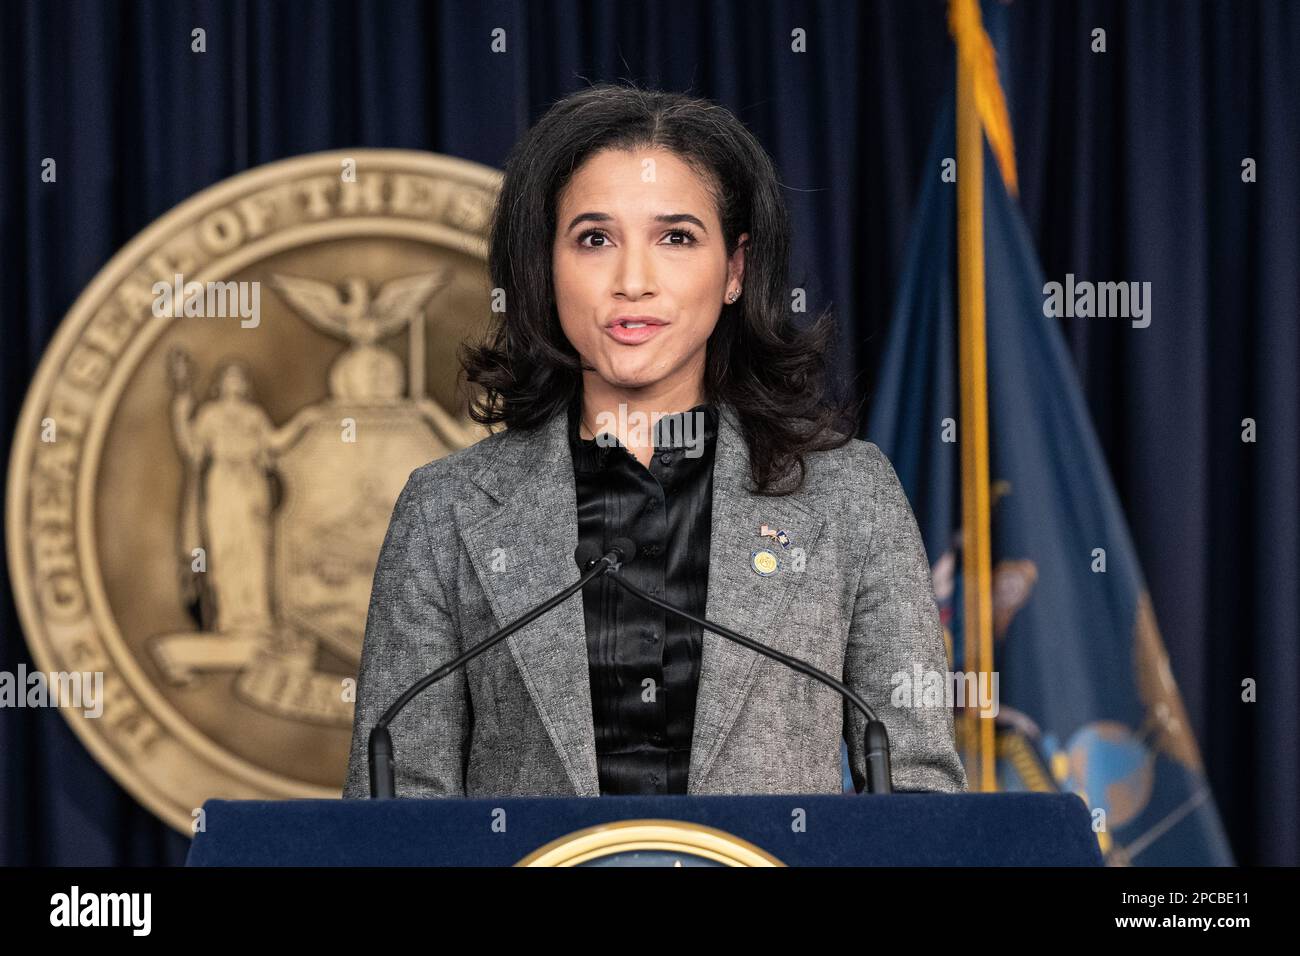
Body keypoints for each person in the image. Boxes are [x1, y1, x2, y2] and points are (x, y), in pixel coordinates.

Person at [343, 82, 967, 798]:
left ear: (734, 271)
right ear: (545, 268)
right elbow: (391, 805)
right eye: (594, 239)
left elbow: (920, 798)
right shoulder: (444, 511)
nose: (632, 281)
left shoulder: (850, 495)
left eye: (676, 238)